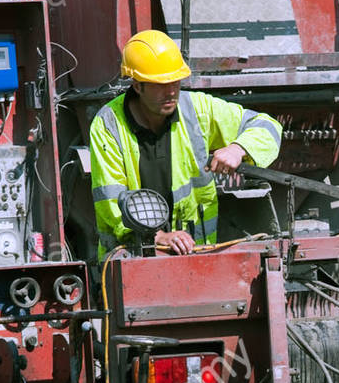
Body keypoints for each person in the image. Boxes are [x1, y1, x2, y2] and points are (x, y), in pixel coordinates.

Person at [90, 29, 283, 259]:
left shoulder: (197, 109)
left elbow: (268, 126)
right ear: (137, 85)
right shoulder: (108, 125)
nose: (171, 91)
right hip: (133, 259)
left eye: (175, 81)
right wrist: (159, 237)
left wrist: (238, 148)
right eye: (160, 84)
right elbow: (111, 202)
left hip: (196, 255)